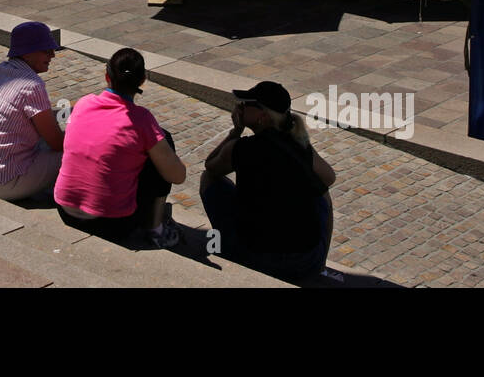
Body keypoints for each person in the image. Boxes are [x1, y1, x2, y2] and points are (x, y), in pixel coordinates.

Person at [199, 82, 337, 282]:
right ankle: (320, 266)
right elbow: (329, 177)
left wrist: (235, 131)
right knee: (322, 193)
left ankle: (227, 249)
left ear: (262, 116)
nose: (240, 107)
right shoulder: (297, 145)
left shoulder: (241, 148)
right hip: (304, 258)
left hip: (256, 255)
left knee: (209, 180)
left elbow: (210, 166)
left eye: (246, 104)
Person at [54, 48, 185, 248]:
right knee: (161, 140)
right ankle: (156, 228)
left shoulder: (83, 103)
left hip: (65, 210)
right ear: (142, 81)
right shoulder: (142, 120)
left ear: (107, 76)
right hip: (111, 223)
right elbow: (177, 176)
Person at [0, 21, 65, 201]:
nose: (52, 55)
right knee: (76, 153)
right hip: (1, 182)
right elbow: (57, 142)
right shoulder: (32, 86)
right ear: (27, 53)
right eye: (46, 50)